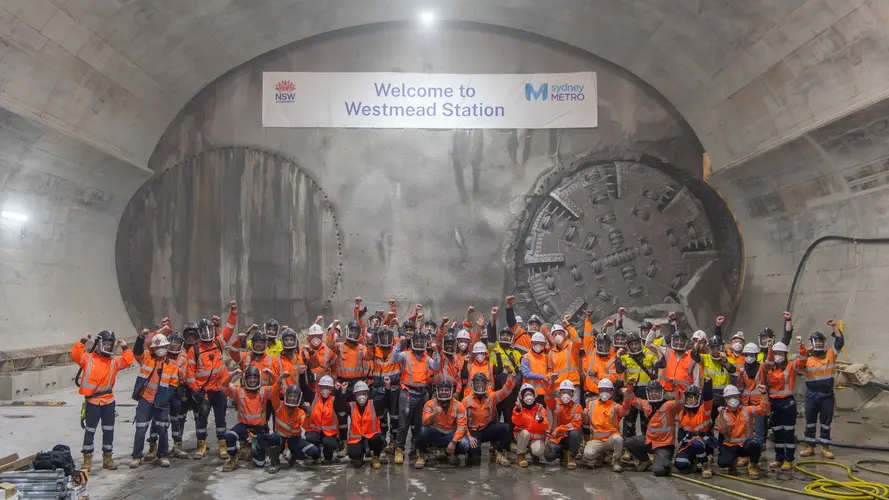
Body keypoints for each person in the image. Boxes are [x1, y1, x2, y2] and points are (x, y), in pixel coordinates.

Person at [72, 330, 134, 471]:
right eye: (105, 344)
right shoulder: (88, 359)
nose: (108, 347)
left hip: (108, 401)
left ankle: (108, 457)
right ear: (98, 344)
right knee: (90, 430)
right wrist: (82, 341)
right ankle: (87, 459)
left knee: (108, 430)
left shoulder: (113, 362)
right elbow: (75, 355)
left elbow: (128, 361)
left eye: (110, 345)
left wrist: (125, 347)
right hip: (93, 402)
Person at [185, 300, 238, 460]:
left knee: (220, 418)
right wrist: (197, 391)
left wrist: (233, 312)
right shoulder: (194, 350)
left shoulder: (217, 343)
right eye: (204, 331)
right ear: (199, 332)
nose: (207, 334)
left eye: (209, 330)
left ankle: (222, 445)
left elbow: (228, 330)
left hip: (220, 389)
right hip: (204, 391)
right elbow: (189, 374)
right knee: (202, 418)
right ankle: (201, 445)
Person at [129, 333, 179, 469]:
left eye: (163, 346)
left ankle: (163, 455)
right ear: (153, 349)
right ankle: (137, 456)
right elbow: (137, 352)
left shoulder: (172, 365)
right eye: (158, 347)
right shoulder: (147, 359)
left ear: (167, 346)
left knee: (162, 429)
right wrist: (140, 338)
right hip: (146, 399)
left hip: (161, 402)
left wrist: (164, 399)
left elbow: (173, 384)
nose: (160, 349)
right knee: (141, 428)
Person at [798, 319, 844, 459]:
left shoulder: (830, 354)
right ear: (811, 343)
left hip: (827, 396)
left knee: (826, 423)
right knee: (810, 422)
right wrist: (803, 349)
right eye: (815, 341)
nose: (818, 343)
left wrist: (834, 326)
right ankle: (809, 446)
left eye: (820, 341)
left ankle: (824, 447)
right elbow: (799, 365)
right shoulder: (806, 359)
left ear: (824, 343)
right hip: (811, 396)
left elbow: (839, 341)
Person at [392, 330, 441, 464]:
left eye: (421, 341)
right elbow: (394, 358)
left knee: (420, 425)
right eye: (417, 341)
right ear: (412, 342)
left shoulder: (427, 358)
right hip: (407, 393)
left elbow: (436, 366)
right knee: (403, 424)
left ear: (425, 343)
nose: (419, 343)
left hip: (422, 394)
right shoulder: (405, 355)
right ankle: (399, 450)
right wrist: (399, 344)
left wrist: (436, 351)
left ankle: (420, 451)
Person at [221, 366, 277, 472]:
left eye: (255, 377)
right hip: (244, 427)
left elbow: (278, 387)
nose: (252, 380)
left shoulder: (264, 391)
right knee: (229, 436)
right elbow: (223, 387)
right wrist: (232, 375)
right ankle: (233, 457)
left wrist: (272, 375)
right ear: (245, 379)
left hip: (259, 429)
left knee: (259, 463)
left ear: (259, 378)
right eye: (249, 377)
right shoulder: (239, 391)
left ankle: (249, 450)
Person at [624, 381, 683, 476]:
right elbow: (632, 400)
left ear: (662, 393)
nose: (654, 394)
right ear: (648, 393)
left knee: (659, 471)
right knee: (628, 442)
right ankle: (645, 461)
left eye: (657, 392)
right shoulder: (646, 404)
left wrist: (676, 386)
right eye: (652, 392)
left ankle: (664, 461)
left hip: (664, 445)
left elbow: (680, 403)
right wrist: (630, 386)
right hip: (650, 442)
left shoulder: (669, 405)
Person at [328, 319, 371, 452]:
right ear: (347, 331)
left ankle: (357, 439)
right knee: (341, 414)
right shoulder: (340, 346)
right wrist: (333, 327)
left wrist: (370, 342)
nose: (353, 334)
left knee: (356, 414)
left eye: (356, 331)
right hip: (342, 384)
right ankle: (344, 443)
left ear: (359, 334)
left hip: (357, 384)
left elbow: (369, 356)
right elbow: (329, 344)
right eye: (351, 331)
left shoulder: (362, 348)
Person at [716, 384, 771, 478]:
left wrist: (764, 394)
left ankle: (753, 466)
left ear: (739, 397)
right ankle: (732, 463)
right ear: (725, 399)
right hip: (731, 446)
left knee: (755, 445)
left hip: (746, 445)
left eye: (735, 396)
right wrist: (721, 415)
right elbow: (723, 431)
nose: (732, 399)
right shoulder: (723, 414)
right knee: (722, 462)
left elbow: (764, 410)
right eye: (729, 397)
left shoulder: (747, 409)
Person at [463, 370, 516, 466]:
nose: (479, 386)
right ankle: (471, 454)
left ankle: (499, 452)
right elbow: (461, 422)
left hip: (487, 429)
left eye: (482, 384)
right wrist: (469, 436)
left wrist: (509, 376)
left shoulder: (492, 396)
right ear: (473, 384)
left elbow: (506, 390)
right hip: (473, 431)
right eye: (477, 383)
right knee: (474, 449)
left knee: (506, 428)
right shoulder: (466, 400)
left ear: (486, 384)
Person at [267, 383, 320, 473]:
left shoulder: (301, 412)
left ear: (299, 398)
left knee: (315, 451)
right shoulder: (278, 405)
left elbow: (305, 426)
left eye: (295, 396)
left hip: (295, 441)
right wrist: (279, 380)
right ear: (286, 395)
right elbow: (273, 393)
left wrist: (309, 414)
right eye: (290, 395)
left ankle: (294, 456)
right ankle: (275, 463)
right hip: (280, 440)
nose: (292, 398)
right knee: (272, 438)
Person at [615, 331, 659, 439]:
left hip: (646, 393)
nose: (635, 346)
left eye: (636, 343)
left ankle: (647, 445)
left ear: (640, 343)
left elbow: (661, 365)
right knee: (629, 421)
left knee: (646, 420)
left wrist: (657, 351)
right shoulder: (625, 357)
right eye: (632, 344)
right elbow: (619, 369)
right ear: (628, 346)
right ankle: (629, 448)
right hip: (631, 393)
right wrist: (618, 355)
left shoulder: (649, 355)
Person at [416, 382, 468, 469]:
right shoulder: (429, 404)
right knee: (423, 431)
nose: (444, 392)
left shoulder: (459, 405)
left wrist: (454, 442)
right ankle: (422, 456)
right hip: (436, 433)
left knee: (465, 443)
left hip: (451, 434)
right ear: (437, 391)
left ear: (451, 391)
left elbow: (461, 427)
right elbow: (424, 422)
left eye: (446, 390)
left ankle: (453, 454)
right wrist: (434, 414)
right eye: (442, 390)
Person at [583, 379, 630, 472]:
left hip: (611, 439)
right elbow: (586, 422)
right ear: (599, 391)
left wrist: (627, 396)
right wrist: (584, 415)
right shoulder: (591, 404)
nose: (604, 392)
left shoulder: (615, 406)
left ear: (612, 392)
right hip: (596, 440)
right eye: (602, 390)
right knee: (588, 454)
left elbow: (625, 412)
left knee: (619, 439)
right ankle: (600, 454)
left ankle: (616, 461)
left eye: (607, 390)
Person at [764, 341, 796, 472]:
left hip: (788, 402)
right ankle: (779, 458)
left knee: (789, 433)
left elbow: (802, 361)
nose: (778, 356)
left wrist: (802, 347)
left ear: (785, 354)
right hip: (774, 403)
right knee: (777, 432)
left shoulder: (790, 366)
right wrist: (770, 349)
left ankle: (788, 460)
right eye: (776, 353)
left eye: (780, 353)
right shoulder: (768, 369)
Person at [674, 380, 716, 478]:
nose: (691, 400)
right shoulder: (682, 414)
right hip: (688, 443)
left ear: (698, 398)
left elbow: (708, 399)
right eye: (688, 398)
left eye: (693, 397)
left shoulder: (704, 410)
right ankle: (694, 460)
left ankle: (706, 465)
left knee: (696, 444)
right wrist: (680, 441)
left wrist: (708, 384)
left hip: (704, 442)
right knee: (680, 464)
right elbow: (681, 430)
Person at [488, 323, 522, 441]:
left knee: (510, 416)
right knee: (495, 416)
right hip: (497, 388)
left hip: (510, 389)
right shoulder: (493, 349)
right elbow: (491, 335)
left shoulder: (516, 353)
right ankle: (494, 444)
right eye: (503, 335)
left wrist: (516, 385)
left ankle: (509, 441)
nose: (505, 337)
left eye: (508, 335)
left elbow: (519, 372)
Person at [693, 332, 735, 427]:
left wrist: (724, 361)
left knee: (724, 421)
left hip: (723, 396)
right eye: (713, 348)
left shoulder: (729, 360)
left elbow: (732, 369)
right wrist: (698, 344)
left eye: (718, 348)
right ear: (710, 349)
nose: (716, 351)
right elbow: (694, 355)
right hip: (709, 394)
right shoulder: (706, 358)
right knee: (707, 421)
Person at [371, 326, 401, 454]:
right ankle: (382, 438)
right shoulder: (375, 350)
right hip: (379, 389)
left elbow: (403, 340)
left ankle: (393, 440)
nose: (385, 339)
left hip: (394, 388)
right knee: (381, 416)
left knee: (394, 416)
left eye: (387, 336)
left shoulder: (396, 350)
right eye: (382, 336)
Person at [649, 327, 701, 400]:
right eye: (676, 340)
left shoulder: (692, 356)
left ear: (686, 341)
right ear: (673, 340)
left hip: (683, 394)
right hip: (664, 393)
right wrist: (653, 329)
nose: (679, 342)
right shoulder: (666, 351)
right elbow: (648, 343)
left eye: (681, 340)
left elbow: (696, 380)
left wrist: (694, 396)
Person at [736, 342, 765, 464]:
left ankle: (755, 459)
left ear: (756, 355)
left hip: (759, 404)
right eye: (747, 354)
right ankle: (744, 455)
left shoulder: (762, 368)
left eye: (751, 355)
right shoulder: (743, 370)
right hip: (745, 404)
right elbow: (741, 387)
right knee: (745, 431)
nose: (749, 357)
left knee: (759, 433)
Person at [544, 380, 583, 470]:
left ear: (573, 394)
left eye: (568, 392)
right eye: (563, 392)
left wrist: (559, 429)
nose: (566, 395)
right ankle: (564, 454)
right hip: (556, 437)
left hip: (568, 436)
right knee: (548, 456)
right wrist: (551, 384)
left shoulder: (577, 407)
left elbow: (576, 424)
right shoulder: (555, 404)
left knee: (575, 433)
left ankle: (571, 457)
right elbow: (548, 397)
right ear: (560, 393)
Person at [346, 381, 384, 469]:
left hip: (372, 437)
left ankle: (375, 457)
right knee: (355, 456)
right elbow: (338, 406)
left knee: (379, 439)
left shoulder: (374, 404)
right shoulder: (351, 406)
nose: (361, 396)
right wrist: (342, 392)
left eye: (364, 393)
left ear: (367, 394)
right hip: (357, 439)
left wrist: (387, 388)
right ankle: (360, 455)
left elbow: (384, 400)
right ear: (355, 395)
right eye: (358, 394)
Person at [304, 375, 340, 463]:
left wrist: (339, 391)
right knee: (310, 438)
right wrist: (302, 375)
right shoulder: (314, 397)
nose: (325, 390)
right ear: (319, 388)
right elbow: (304, 387)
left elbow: (341, 401)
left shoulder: (335, 400)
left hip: (329, 432)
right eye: (323, 387)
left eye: (328, 388)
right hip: (314, 429)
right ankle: (316, 456)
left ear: (331, 389)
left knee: (329, 443)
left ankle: (328, 457)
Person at [512, 383, 549, 468]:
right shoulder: (518, 408)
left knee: (539, 451)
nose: (528, 397)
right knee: (524, 433)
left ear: (534, 395)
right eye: (526, 395)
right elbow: (517, 422)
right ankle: (521, 455)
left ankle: (533, 453)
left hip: (536, 438)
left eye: (530, 394)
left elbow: (545, 426)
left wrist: (540, 419)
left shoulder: (540, 408)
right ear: (522, 397)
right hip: (523, 437)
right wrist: (518, 412)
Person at [548, 324, 582, 404]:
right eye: (555, 334)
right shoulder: (551, 353)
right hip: (559, 388)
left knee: (575, 411)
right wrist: (550, 377)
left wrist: (569, 326)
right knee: (560, 414)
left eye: (559, 333)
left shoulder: (571, 346)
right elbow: (550, 370)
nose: (557, 336)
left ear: (564, 334)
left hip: (573, 384)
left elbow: (578, 341)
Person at [302, 322, 337, 400]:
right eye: (313, 336)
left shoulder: (329, 351)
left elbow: (334, 370)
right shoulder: (304, 351)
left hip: (325, 390)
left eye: (318, 336)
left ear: (321, 336)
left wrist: (333, 385)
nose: (315, 338)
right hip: (309, 389)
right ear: (309, 337)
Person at [521, 332, 553, 405]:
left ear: (544, 345)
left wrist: (548, 376)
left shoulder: (546, 357)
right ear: (532, 344)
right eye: (536, 343)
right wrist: (542, 377)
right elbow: (526, 373)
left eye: (541, 344)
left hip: (543, 393)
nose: (538, 346)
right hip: (529, 393)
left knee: (542, 414)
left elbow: (551, 370)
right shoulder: (526, 357)